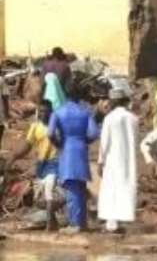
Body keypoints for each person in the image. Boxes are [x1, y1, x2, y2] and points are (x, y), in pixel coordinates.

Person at [48, 86, 100, 232]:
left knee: (71, 188)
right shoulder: (85, 112)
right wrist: (84, 141)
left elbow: (50, 133)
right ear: (79, 98)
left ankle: (75, 224)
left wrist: (59, 143)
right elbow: (95, 133)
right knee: (80, 187)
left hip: (66, 149)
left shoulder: (58, 112)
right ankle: (81, 223)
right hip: (81, 149)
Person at [10, 99, 61, 231]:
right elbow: (27, 147)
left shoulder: (57, 127)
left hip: (54, 162)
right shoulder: (35, 127)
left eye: (46, 111)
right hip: (41, 164)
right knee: (41, 195)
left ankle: (50, 225)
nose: (43, 114)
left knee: (49, 191)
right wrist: (14, 156)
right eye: (41, 111)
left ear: (51, 113)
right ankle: (53, 221)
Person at [97, 87, 139, 234]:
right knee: (125, 186)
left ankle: (111, 223)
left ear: (113, 102)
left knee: (111, 189)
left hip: (112, 159)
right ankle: (122, 219)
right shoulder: (133, 118)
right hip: (128, 159)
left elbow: (104, 142)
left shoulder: (109, 118)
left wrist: (100, 161)